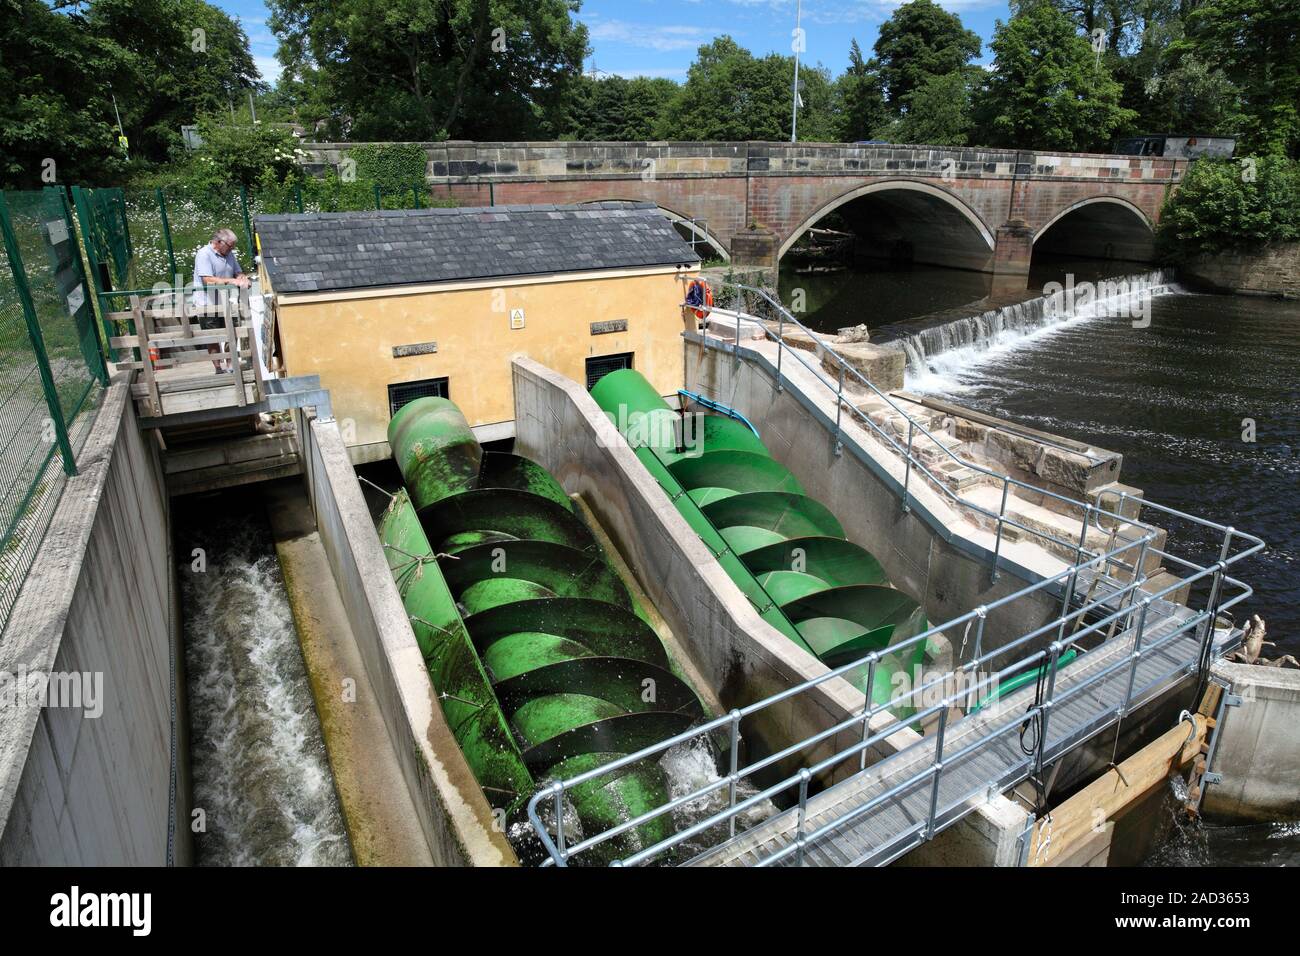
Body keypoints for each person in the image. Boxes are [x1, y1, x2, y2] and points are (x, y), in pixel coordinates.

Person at [192, 228, 250, 371]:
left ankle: (231, 365)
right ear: (218, 242)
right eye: (230, 246)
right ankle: (218, 368)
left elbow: (238, 272)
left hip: (227, 302)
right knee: (213, 337)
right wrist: (232, 281)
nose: (232, 249)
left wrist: (242, 278)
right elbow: (207, 279)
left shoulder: (229, 254)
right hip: (207, 303)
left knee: (233, 333)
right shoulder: (204, 254)